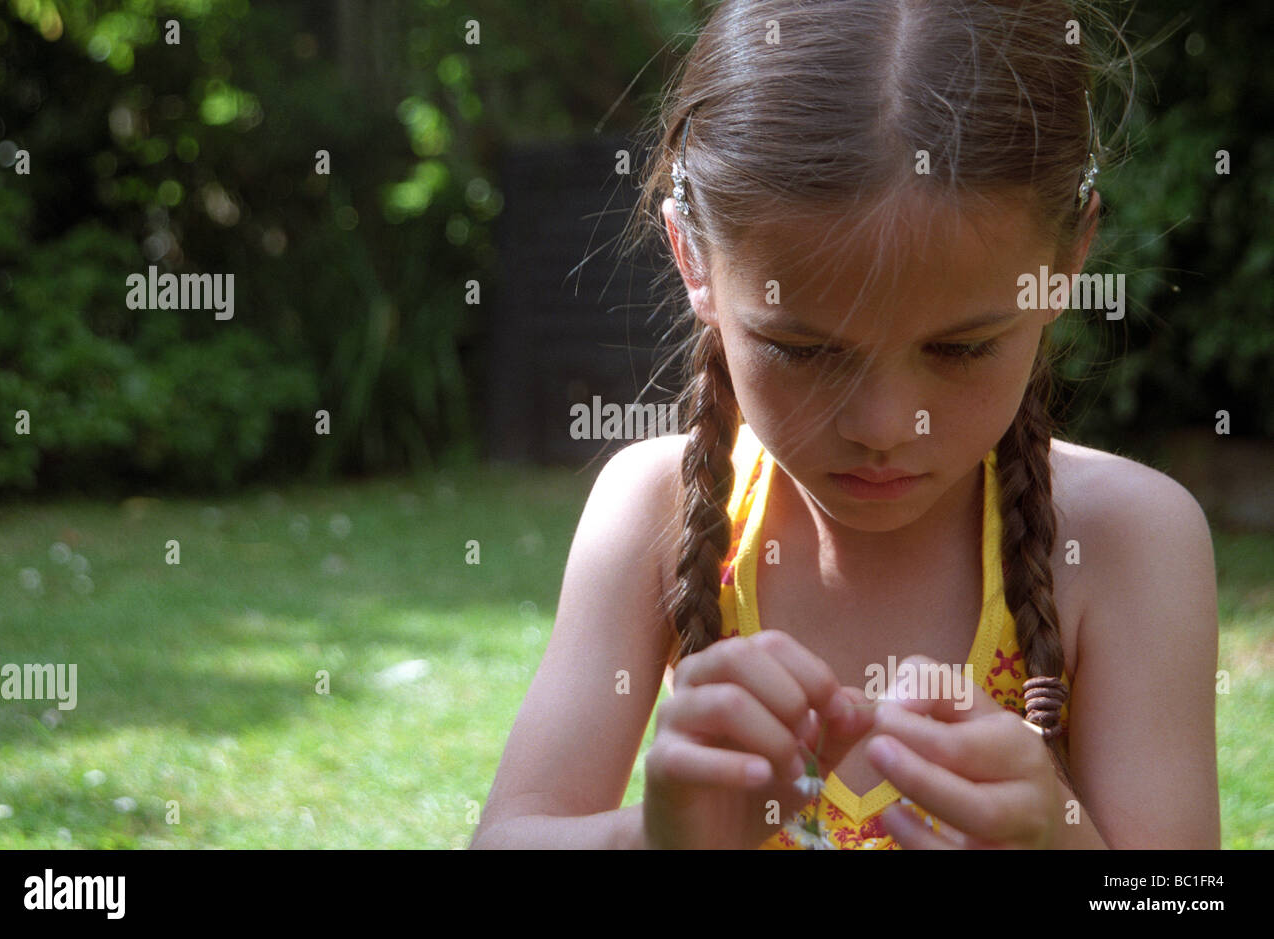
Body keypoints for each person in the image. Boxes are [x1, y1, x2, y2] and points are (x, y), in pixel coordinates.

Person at [470, 0, 1220, 849]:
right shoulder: (654, 509)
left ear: (1067, 259)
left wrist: (1059, 839)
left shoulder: (1127, 541)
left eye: (963, 347)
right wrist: (650, 840)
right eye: (803, 350)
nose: (882, 425)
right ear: (691, 258)